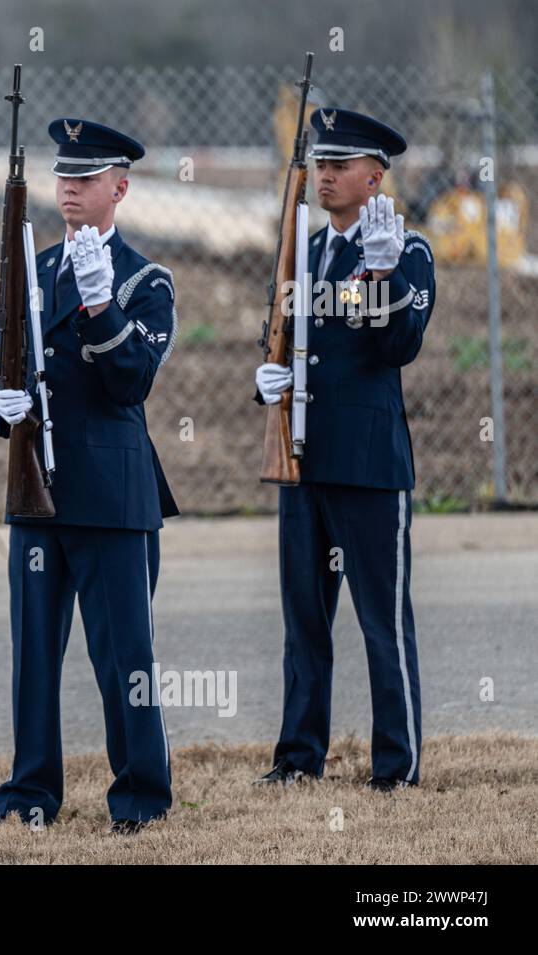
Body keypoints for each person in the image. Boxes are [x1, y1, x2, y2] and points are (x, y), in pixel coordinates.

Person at [0, 118, 179, 834]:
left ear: (119, 188)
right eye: (64, 176)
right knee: (34, 654)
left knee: (124, 654)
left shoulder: (146, 281)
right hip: (36, 489)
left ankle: (141, 794)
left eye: (87, 177)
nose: (70, 187)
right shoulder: (30, 268)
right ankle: (30, 792)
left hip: (111, 495)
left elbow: (131, 383)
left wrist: (99, 309)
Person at [254, 108, 435, 792]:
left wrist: (384, 279)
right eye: (320, 165)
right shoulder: (306, 247)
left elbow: (399, 347)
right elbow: (280, 328)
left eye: (340, 166)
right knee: (304, 624)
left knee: (382, 624)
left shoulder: (405, 250)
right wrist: (265, 376)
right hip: (302, 458)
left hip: (366, 466)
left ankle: (398, 765)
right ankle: (299, 757)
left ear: (375, 177)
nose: (325, 176)